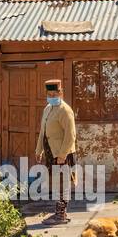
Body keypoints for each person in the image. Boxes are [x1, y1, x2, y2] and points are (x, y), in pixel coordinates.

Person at [35, 78, 77, 225]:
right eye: (49, 94)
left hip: (62, 154)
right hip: (51, 152)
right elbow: (43, 131)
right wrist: (38, 150)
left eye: (55, 94)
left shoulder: (65, 111)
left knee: (63, 183)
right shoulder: (48, 109)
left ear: (61, 93)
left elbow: (70, 135)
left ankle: (61, 215)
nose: (52, 97)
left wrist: (62, 154)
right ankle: (59, 213)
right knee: (56, 182)